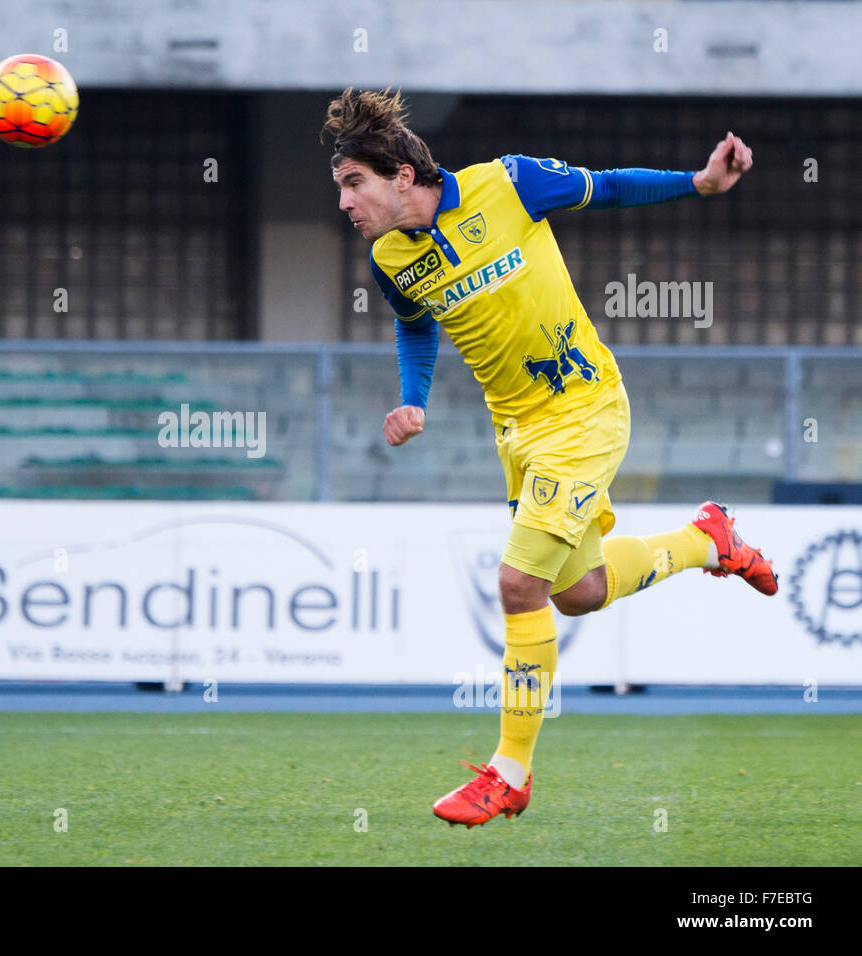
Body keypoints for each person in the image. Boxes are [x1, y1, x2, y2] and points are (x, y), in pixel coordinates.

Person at [321, 88, 777, 828]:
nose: (345, 201)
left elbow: (609, 186)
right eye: (341, 186)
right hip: (518, 434)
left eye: (354, 183)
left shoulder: (509, 183)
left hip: (585, 407)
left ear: (402, 176)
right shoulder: (390, 258)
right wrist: (414, 398)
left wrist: (699, 183)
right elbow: (415, 328)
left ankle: (510, 771)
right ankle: (708, 541)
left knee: (516, 584)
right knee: (579, 592)